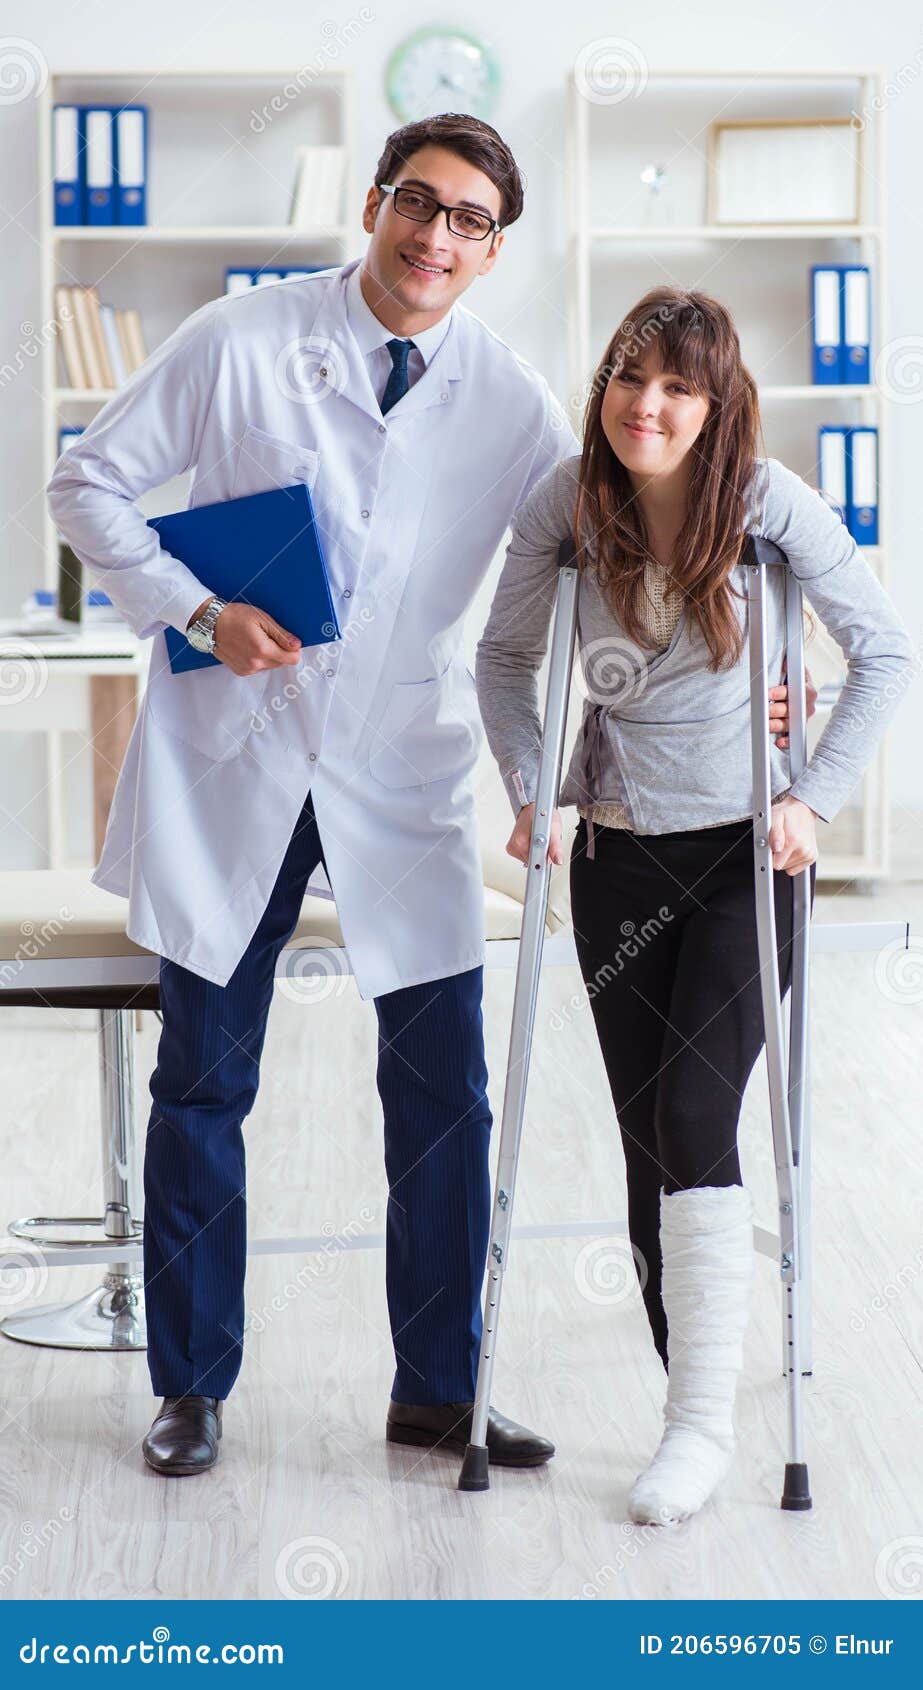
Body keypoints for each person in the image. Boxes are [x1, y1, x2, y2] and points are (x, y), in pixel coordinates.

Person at [47, 113, 578, 1477]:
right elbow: (84, 477)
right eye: (419, 203)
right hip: (236, 752)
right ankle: (190, 1385)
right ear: (373, 203)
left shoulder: (514, 402)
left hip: (400, 772)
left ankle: (438, 1387)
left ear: (493, 248)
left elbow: (579, 576)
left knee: (442, 1092)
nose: (435, 235)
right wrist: (197, 608)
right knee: (205, 1080)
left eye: (468, 220)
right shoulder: (243, 340)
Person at [474, 285, 915, 1525]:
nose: (647, 405)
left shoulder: (767, 504)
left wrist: (813, 797)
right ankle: (692, 1394)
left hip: (746, 856)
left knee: (689, 1106)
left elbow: (882, 649)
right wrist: (530, 787)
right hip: (616, 856)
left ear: (714, 405)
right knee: (647, 1142)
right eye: (629, 378)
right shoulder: (565, 502)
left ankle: (701, 1425)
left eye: (676, 386)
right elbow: (506, 659)